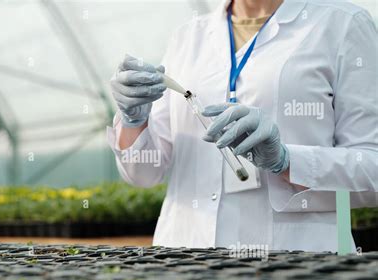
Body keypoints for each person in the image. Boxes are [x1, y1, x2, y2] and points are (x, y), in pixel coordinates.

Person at [107, 0, 377, 251]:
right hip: (183, 257)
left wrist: (288, 161)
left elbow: (372, 167)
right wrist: (134, 121)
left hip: (294, 263)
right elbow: (143, 174)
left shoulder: (342, 24)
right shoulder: (189, 36)